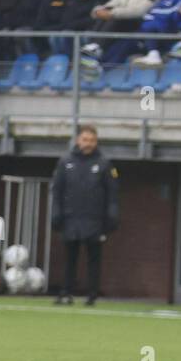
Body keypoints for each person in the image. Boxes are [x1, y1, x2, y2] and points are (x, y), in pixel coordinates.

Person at [50, 125, 119, 305]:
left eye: (92, 140)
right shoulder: (66, 162)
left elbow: (112, 193)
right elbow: (57, 190)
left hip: (94, 219)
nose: (88, 144)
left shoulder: (104, 164)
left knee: (94, 259)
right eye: (85, 139)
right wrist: (56, 213)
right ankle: (66, 292)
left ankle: (92, 294)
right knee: (69, 258)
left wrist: (112, 215)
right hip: (70, 218)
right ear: (78, 140)